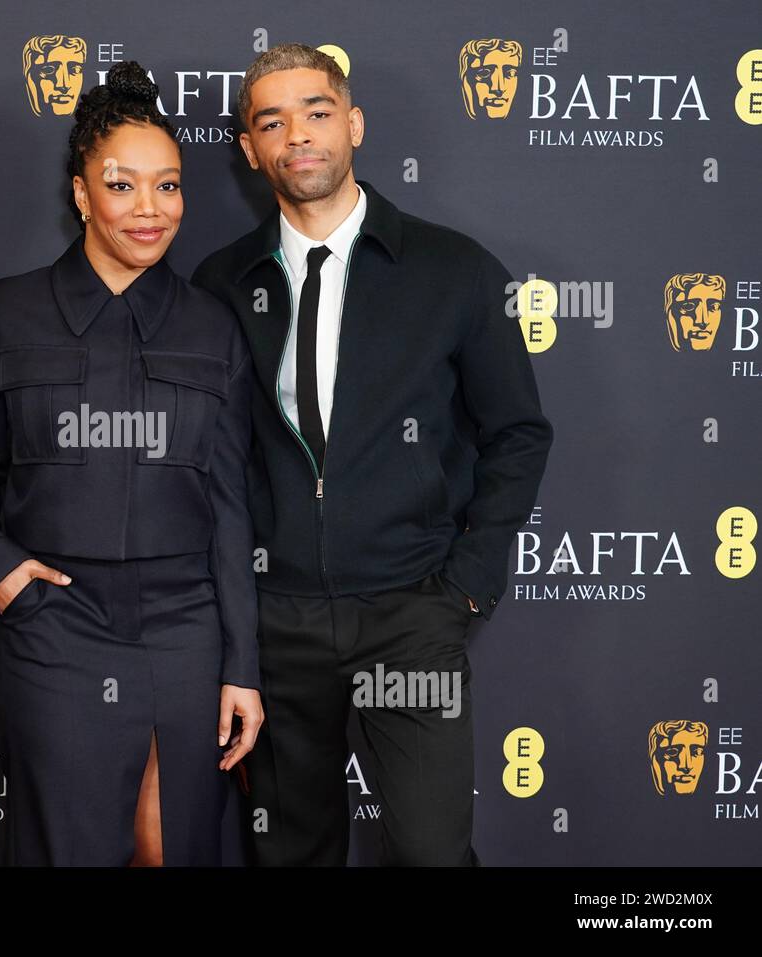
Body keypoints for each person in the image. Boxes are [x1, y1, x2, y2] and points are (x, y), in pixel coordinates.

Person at [191, 43, 553, 865]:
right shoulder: (220, 283)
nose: (298, 136)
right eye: (271, 121)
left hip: (411, 613)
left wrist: (464, 586)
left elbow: (519, 432)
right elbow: (211, 461)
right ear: (250, 149)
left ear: (353, 124)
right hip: (275, 619)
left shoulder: (452, 269)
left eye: (317, 112)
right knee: (290, 851)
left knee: (430, 851)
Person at [0, 61, 264, 866]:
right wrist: (5, 572)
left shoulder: (214, 328)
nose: (150, 210)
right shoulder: (2, 317)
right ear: (81, 193)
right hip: (59, 625)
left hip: (187, 623)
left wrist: (242, 664)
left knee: (170, 842)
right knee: (69, 846)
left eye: (169, 187)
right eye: (123, 186)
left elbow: (230, 505)